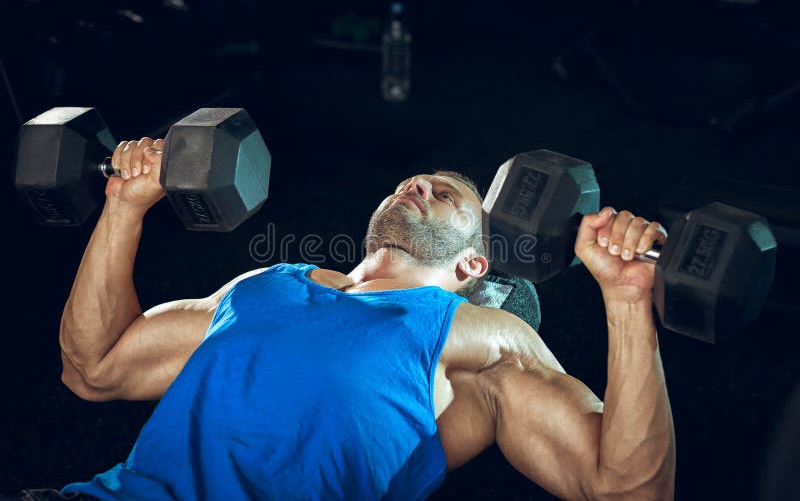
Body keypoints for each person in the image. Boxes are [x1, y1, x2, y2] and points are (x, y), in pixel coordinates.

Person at [25, 137, 675, 500]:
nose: (419, 181)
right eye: (415, 179)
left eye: (447, 195)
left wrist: (626, 303)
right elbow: (94, 366)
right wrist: (125, 204)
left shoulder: (478, 338)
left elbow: (627, 490)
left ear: (476, 265)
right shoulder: (267, 286)